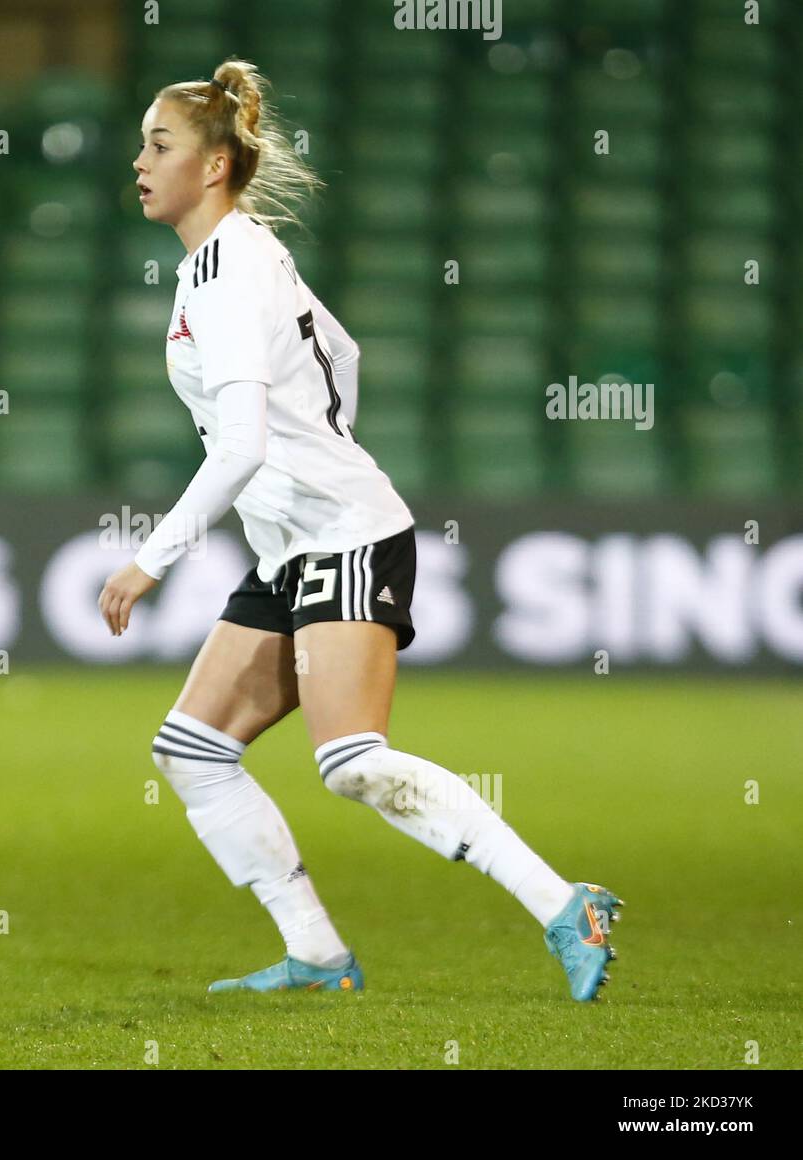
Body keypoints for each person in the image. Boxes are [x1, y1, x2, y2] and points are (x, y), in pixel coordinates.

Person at [98, 59, 622, 1000]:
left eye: (159, 144)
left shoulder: (227, 271)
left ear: (213, 165)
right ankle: (319, 954)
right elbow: (340, 351)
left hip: (344, 536)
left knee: (351, 762)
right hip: (294, 543)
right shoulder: (232, 260)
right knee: (190, 749)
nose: (139, 161)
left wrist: (149, 559)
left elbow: (244, 445)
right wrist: (327, 434)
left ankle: (563, 903)